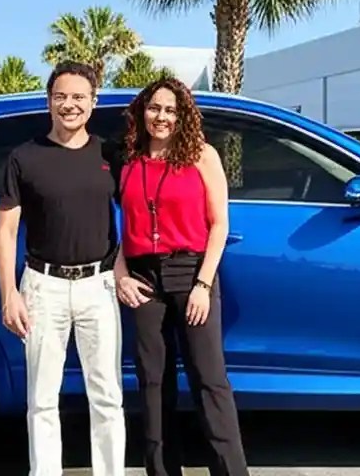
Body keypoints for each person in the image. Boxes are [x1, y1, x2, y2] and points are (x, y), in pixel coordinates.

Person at [0, 61, 126, 476]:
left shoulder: (110, 155)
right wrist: (9, 293)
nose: (70, 105)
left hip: (98, 286)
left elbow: (135, 219)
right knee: (42, 399)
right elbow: (5, 230)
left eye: (79, 97)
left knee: (107, 396)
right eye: (61, 97)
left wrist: (121, 269)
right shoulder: (24, 157)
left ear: (93, 102)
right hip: (42, 287)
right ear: (49, 101)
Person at [112, 77, 249, 476]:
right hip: (142, 278)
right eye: (155, 108)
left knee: (209, 381)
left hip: (191, 272)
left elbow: (219, 225)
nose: (162, 116)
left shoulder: (202, 156)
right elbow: (119, 227)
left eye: (171, 110)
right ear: (142, 111)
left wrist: (203, 285)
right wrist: (121, 274)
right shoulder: (128, 160)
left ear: (182, 115)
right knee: (153, 385)